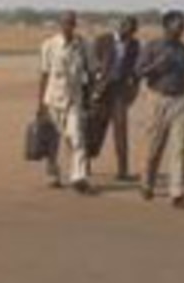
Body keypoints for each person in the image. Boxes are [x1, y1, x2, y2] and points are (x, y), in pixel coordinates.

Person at [136, 10, 184, 207]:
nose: (182, 28)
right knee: (154, 145)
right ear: (167, 26)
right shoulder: (152, 47)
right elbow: (138, 72)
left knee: (180, 147)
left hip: (181, 99)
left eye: (183, 25)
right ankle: (147, 183)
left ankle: (176, 192)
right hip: (158, 98)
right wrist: (156, 66)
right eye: (179, 25)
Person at [36, 11, 93, 194]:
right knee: (53, 141)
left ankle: (78, 177)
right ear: (60, 25)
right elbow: (44, 74)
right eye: (65, 23)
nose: (68, 26)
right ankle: (53, 175)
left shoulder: (84, 45)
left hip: (74, 99)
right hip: (52, 99)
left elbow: (91, 72)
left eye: (71, 23)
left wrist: (90, 97)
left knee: (77, 137)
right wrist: (41, 104)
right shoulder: (49, 45)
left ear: (75, 25)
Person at [88, 16, 141, 180]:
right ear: (120, 27)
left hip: (120, 91)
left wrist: (134, 89)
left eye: (133, 30)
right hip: (102, 91)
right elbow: (92, 63)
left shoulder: (135, 45)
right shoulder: (103, 40)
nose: (130, 33)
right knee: (95, 128)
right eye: (128, 29)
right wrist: (96, 82)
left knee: (121, 131)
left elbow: (136, 69)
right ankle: (85, 163)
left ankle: (122, 171)